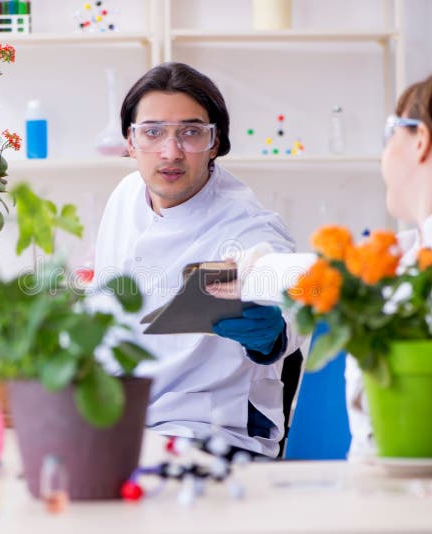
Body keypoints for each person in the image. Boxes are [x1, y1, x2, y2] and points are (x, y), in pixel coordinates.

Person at [213, 65, 432, 458]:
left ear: (421, 141)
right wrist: (253, 271)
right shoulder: (407, 254)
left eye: (390, 133)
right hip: (386, 498)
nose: (385, 154)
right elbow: (323, 278)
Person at [89, 62, 303, 458]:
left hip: (210, 432)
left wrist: (272, 336)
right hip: (122, 419)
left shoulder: (247, 226)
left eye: (190, 133)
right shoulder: (125, 194)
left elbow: (286, 293)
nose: (171, 152)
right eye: (152, 133)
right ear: (130, 143)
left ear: (214, 142)